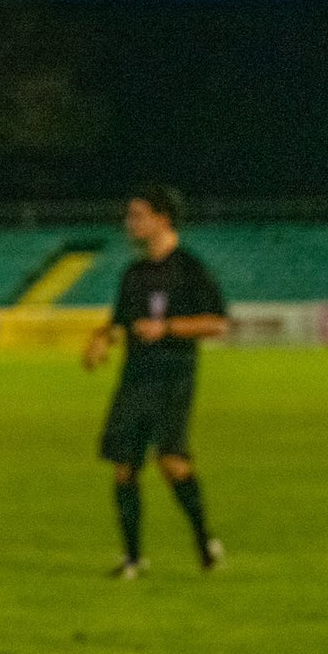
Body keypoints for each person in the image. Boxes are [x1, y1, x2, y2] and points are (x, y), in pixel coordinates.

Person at [81, 186, 229, 578]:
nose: (129, 223)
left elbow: (217, 323)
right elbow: (119, 322)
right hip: (134, 379)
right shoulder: (134, 273)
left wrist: (167, 328)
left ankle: (204, 542)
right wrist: (101, 340)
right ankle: (132, 559)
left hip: (173, 377)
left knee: (172, 462)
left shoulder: (190, 269)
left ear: (162, 219)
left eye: (137, 215)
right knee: (124, 467)